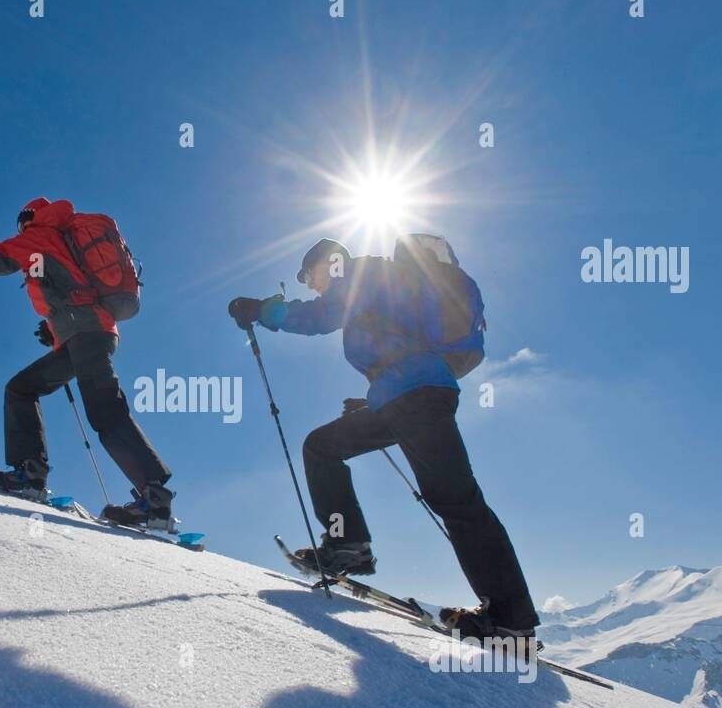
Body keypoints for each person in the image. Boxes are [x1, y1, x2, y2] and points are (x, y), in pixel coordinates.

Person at [228, 235, 539, 642]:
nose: (310, 283)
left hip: (415, 398)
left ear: (329, 262)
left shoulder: (358, 272)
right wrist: (374, 400)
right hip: (404, 397)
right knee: (322, 446)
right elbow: (395, 348)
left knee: (458, 501)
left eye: (309, 274)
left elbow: (319, 316)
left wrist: (264, 310)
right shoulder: (380, 279)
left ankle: (511, 621)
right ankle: (348, 545)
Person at [0, 197, 173, 527]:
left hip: (87, 334)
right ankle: (30, 474)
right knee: (21, 388)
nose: (19, 228)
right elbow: (68, 288)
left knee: (104, 408)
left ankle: (155, 501)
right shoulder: (58, 240)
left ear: (31, 218)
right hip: (84, 333)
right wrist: (55, 331)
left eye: (22, 221)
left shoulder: (40, 236)